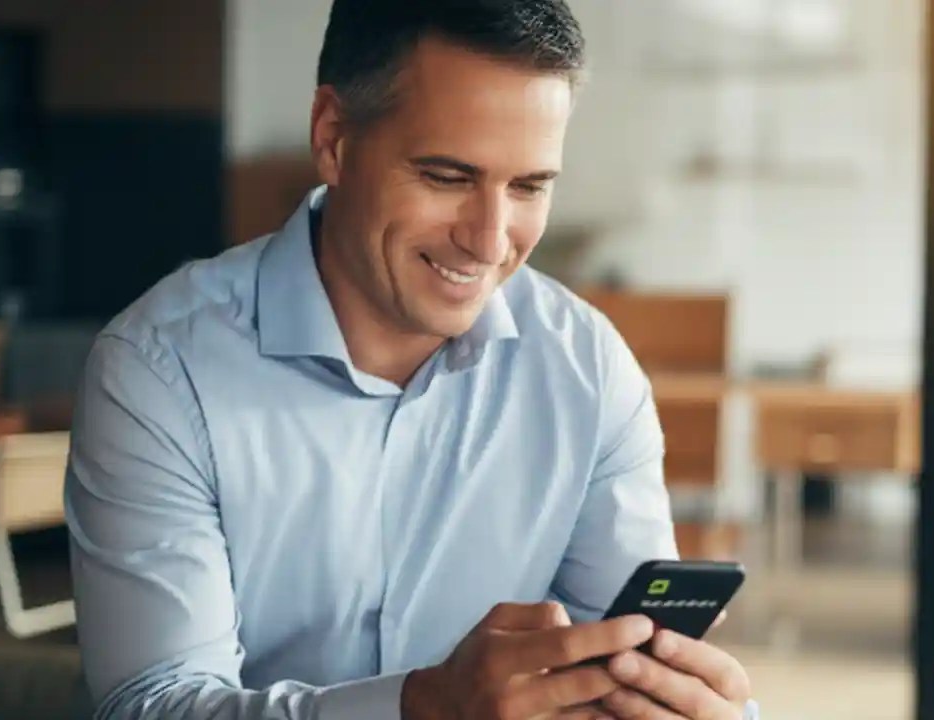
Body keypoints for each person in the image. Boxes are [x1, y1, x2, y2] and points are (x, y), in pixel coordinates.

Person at [64, 1, 756, 718]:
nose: (490, 242)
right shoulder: (158, 371)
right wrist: (420, 707)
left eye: (528, 187)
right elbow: (152, 707)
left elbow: (624, 666)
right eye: (448, 177)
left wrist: (694, 706)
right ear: (333, 138)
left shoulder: (589, 372)